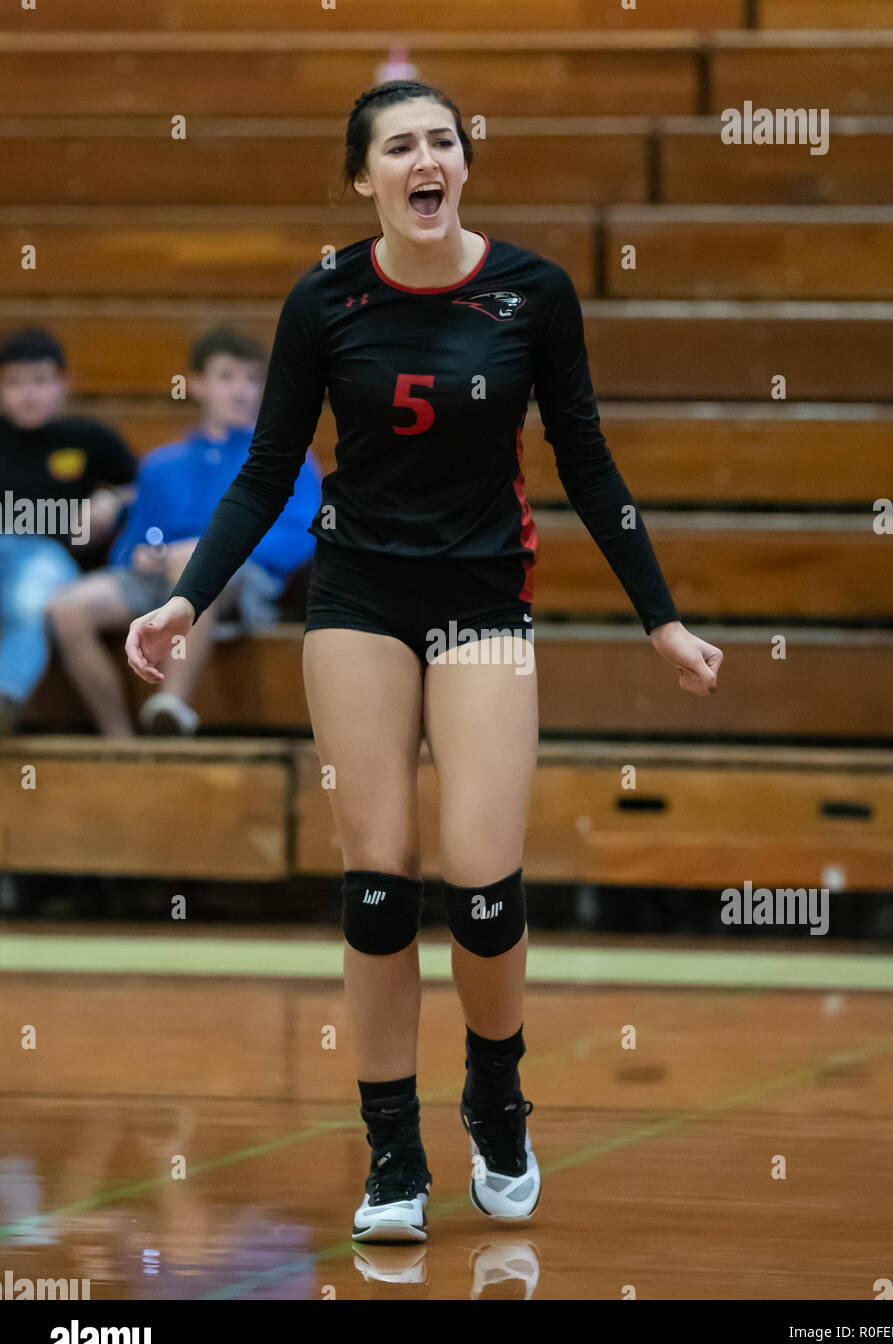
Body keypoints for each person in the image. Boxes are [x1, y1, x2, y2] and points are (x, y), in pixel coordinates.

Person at [125, 80, 724, 1242]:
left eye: (441, 139)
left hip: (483, 602)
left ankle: (496, 1097)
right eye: (399, 145)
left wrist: (662, 617)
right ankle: (393, 1152)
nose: (424, 157)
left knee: (485, 891)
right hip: (359, 598)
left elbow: (590, 465)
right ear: (366, 179)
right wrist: (186, 601)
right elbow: (265, 473)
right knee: (379, 883)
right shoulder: (326, 298)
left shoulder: (534, 293)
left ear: (463, 162)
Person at [47, 327, 321, 736]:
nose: (241, 390)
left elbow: (302, 535)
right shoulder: (162, 464)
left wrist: (211, 551)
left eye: (252, 379)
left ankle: (171, 704)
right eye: (227, 377)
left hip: (245, 580)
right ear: (197, 385)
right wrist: (140, 554)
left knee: (193, 558)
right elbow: (131, 545)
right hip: (159, 577)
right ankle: (118, 741)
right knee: (65, 609)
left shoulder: (286, 458)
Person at [0, 328, 137, 735]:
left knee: (29, 602)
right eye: (14, 382)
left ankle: (6, 693)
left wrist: (112, 501)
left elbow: (143, 486)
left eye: (41, 380)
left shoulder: (89, 439)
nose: (29, 394)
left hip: (48, 553)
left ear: (64, 384)